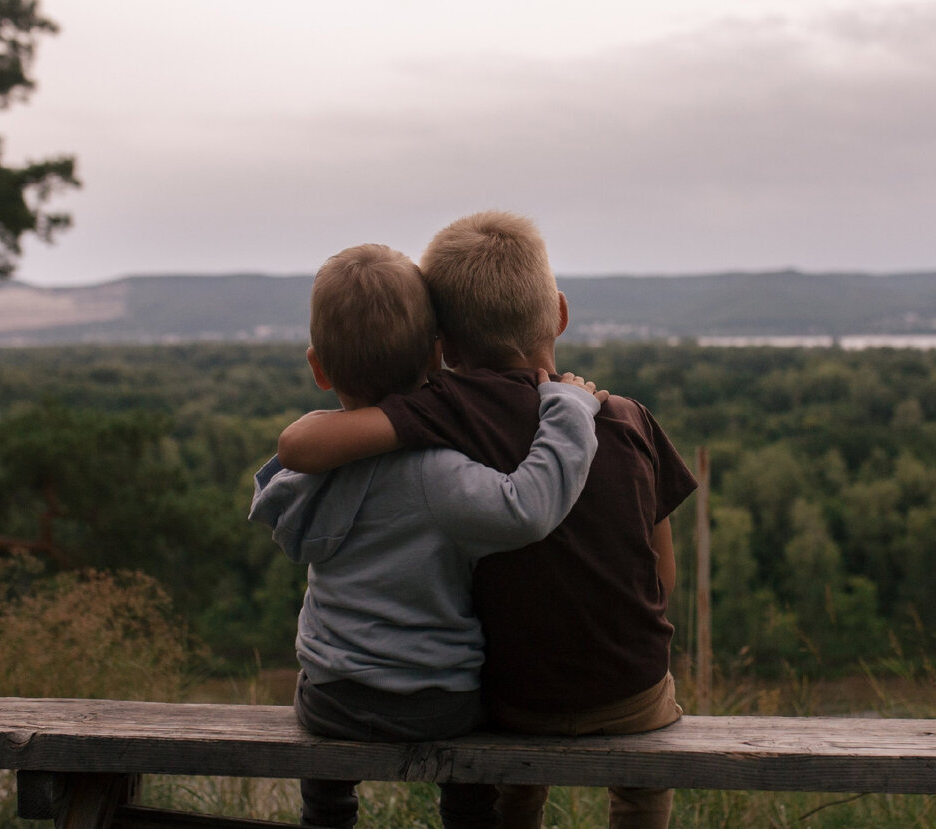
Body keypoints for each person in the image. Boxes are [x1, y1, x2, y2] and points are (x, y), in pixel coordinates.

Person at [278, 213, 698, 829]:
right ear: (558, 313)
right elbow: (663, 577)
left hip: (518, 698)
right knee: (640, 783)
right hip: (632, 687)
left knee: (508, 789)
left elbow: (309, 443)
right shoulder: (629, 420)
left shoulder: (444, 412)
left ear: (442, 345)